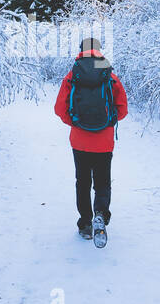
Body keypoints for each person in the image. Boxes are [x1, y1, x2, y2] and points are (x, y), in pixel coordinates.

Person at [53, 37, 128, 242]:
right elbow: (123, 109)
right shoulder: (110, 76)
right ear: (99, 51)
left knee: (83, 182)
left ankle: (85, 223)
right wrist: (108, 122)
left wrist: (75, 123)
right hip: (104, 142)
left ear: (81, 51)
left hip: (79, 141)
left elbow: (59, 108)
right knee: (103, 181)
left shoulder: (72, 75)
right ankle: (101, 214)